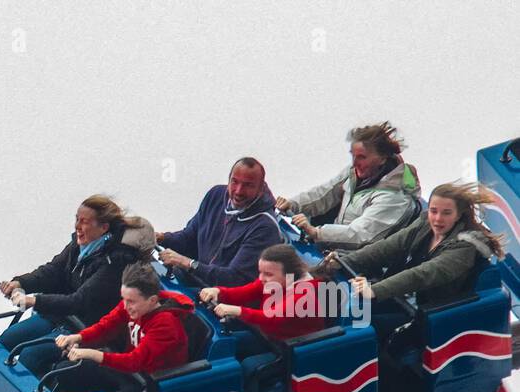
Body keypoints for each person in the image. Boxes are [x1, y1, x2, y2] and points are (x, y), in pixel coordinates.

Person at [46, 264, 192, 392]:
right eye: (124, 299)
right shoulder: (133, 306)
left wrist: (91, 353)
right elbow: (106, 324)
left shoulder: (165, 324)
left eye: (131, 301)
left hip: (149, 385)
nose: (126, 305)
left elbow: (134, 361)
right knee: (65, 371)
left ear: (151, 300)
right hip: (128, 371)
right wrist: (78, 337)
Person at [0, 195, 156, 378]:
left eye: (84, 222)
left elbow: (79, 301)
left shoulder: (115, 263)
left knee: (30, 355)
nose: (77, 226)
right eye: (77, 220)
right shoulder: (80, 245)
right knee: (7, 339)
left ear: (103, 228)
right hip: (59, 317)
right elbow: (53, 270)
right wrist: (21, 282)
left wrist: (34, 301)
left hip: (83, 328)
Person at [321, 182, 505, 311]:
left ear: (458, 215)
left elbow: (423, 274)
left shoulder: (464, 248)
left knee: (365, 325)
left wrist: (375, 290)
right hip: (400, 297)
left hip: (424, 312)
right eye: (434, 211)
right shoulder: (425, 223)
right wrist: (344, 262)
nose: (438, 219)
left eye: (446, 213)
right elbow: (389, 247)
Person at [277, 122, 422, 249]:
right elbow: (323, 195)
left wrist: (317, 233)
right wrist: (292, 204)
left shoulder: (395, 197)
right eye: (353, 155)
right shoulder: (353, 172)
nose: (354, 163)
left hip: (358, 267)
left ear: (382, 159)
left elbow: (362, 234)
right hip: (330, 249)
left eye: (362, 157)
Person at [156, 158, 280, 286]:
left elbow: (235, 278)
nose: (238, 191)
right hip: (194, 279)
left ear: (260, 188)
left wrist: (187, 263)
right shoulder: (216, 195)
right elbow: (189, 238)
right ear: (229, 179)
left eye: (248, 185)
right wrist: (161, 238)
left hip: (222, 298)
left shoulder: (265, 227)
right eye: (234, 182)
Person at [198, 244, 327, 347]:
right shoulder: (272, 281)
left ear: (289, 274)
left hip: (290, 348)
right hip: (269, 337)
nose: (261, 278)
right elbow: (244, 292)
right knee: (222, 345)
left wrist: (237, 310)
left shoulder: (304, 294)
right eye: (260, 272)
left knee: (248, 365)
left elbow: (272, 317)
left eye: (268, 274)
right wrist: (218, 292)